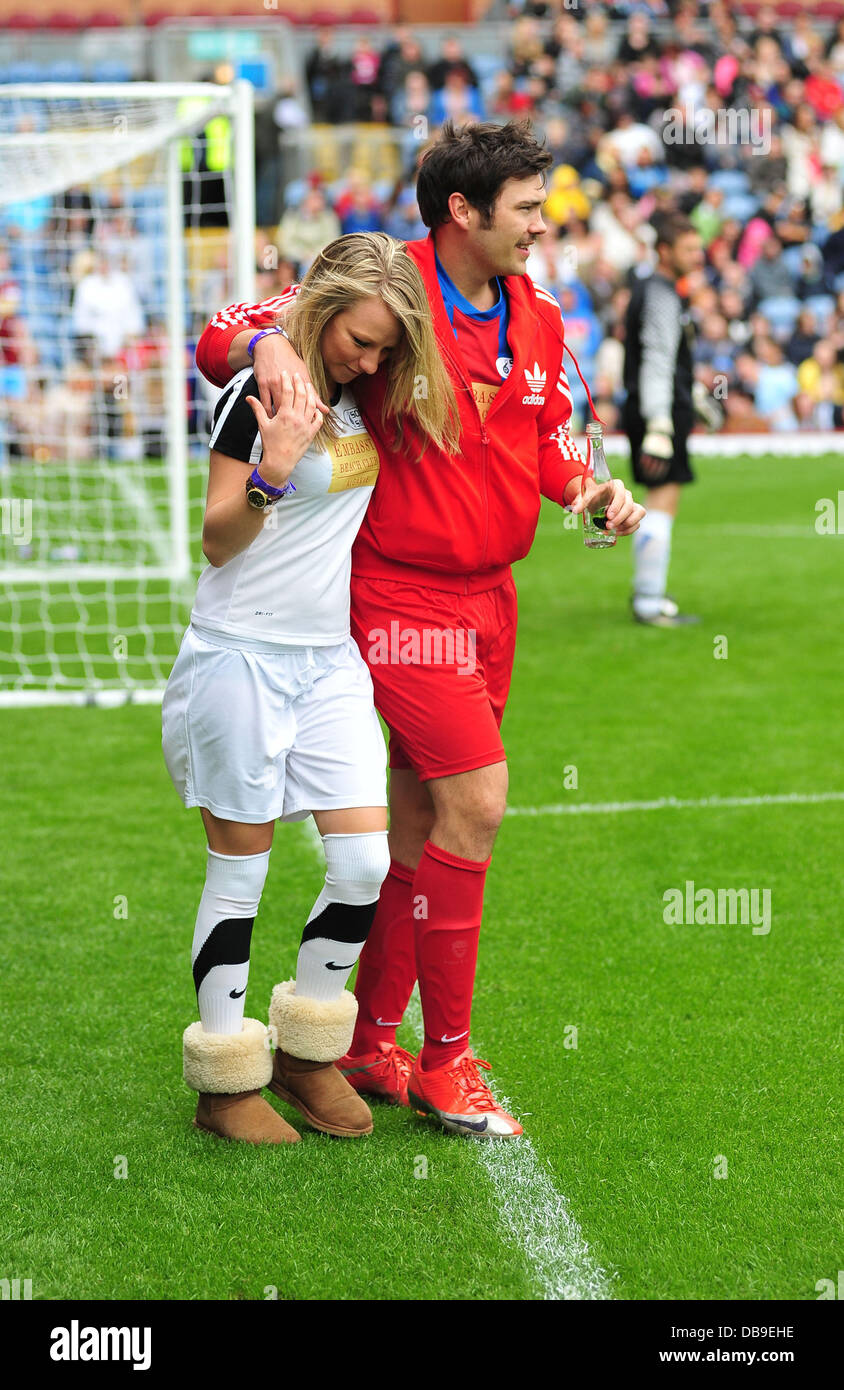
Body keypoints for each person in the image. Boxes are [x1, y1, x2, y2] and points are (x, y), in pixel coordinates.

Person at [196, 121, 645, 1140]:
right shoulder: (389, 287)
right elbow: (221, 330)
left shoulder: (536, 312)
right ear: (462, 212)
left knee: (412, 819)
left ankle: (361, 1040)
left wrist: (590, 491)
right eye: (526, 207)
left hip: (494, 597)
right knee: (476, 805)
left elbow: (551, 436)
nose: (542, 223)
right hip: (402, 597)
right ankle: (447, 1061)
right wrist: (269, 339)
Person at [164, 232, 458, 1146]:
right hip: (238, 656)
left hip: (329, 663)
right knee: (241, 870)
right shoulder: (256, 400)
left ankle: (305, 1052)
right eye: (357, 340)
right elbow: (214, 542)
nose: (367, 359)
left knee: (365, 863)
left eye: (382, 349)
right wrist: (273, 475)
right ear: (323, 309)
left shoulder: (365, 396)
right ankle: (225, 1079)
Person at [622, 211, 705, 627]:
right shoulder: (661, 294)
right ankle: (650, 601)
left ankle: (649, 595)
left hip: (658, 408)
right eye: (689, 248)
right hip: (660, 414)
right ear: (665, 250)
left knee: (660, 499)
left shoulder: (660, 290)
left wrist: (699, 396)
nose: (697, 255)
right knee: (662, 501)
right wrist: (659, 423)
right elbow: (657, 360)